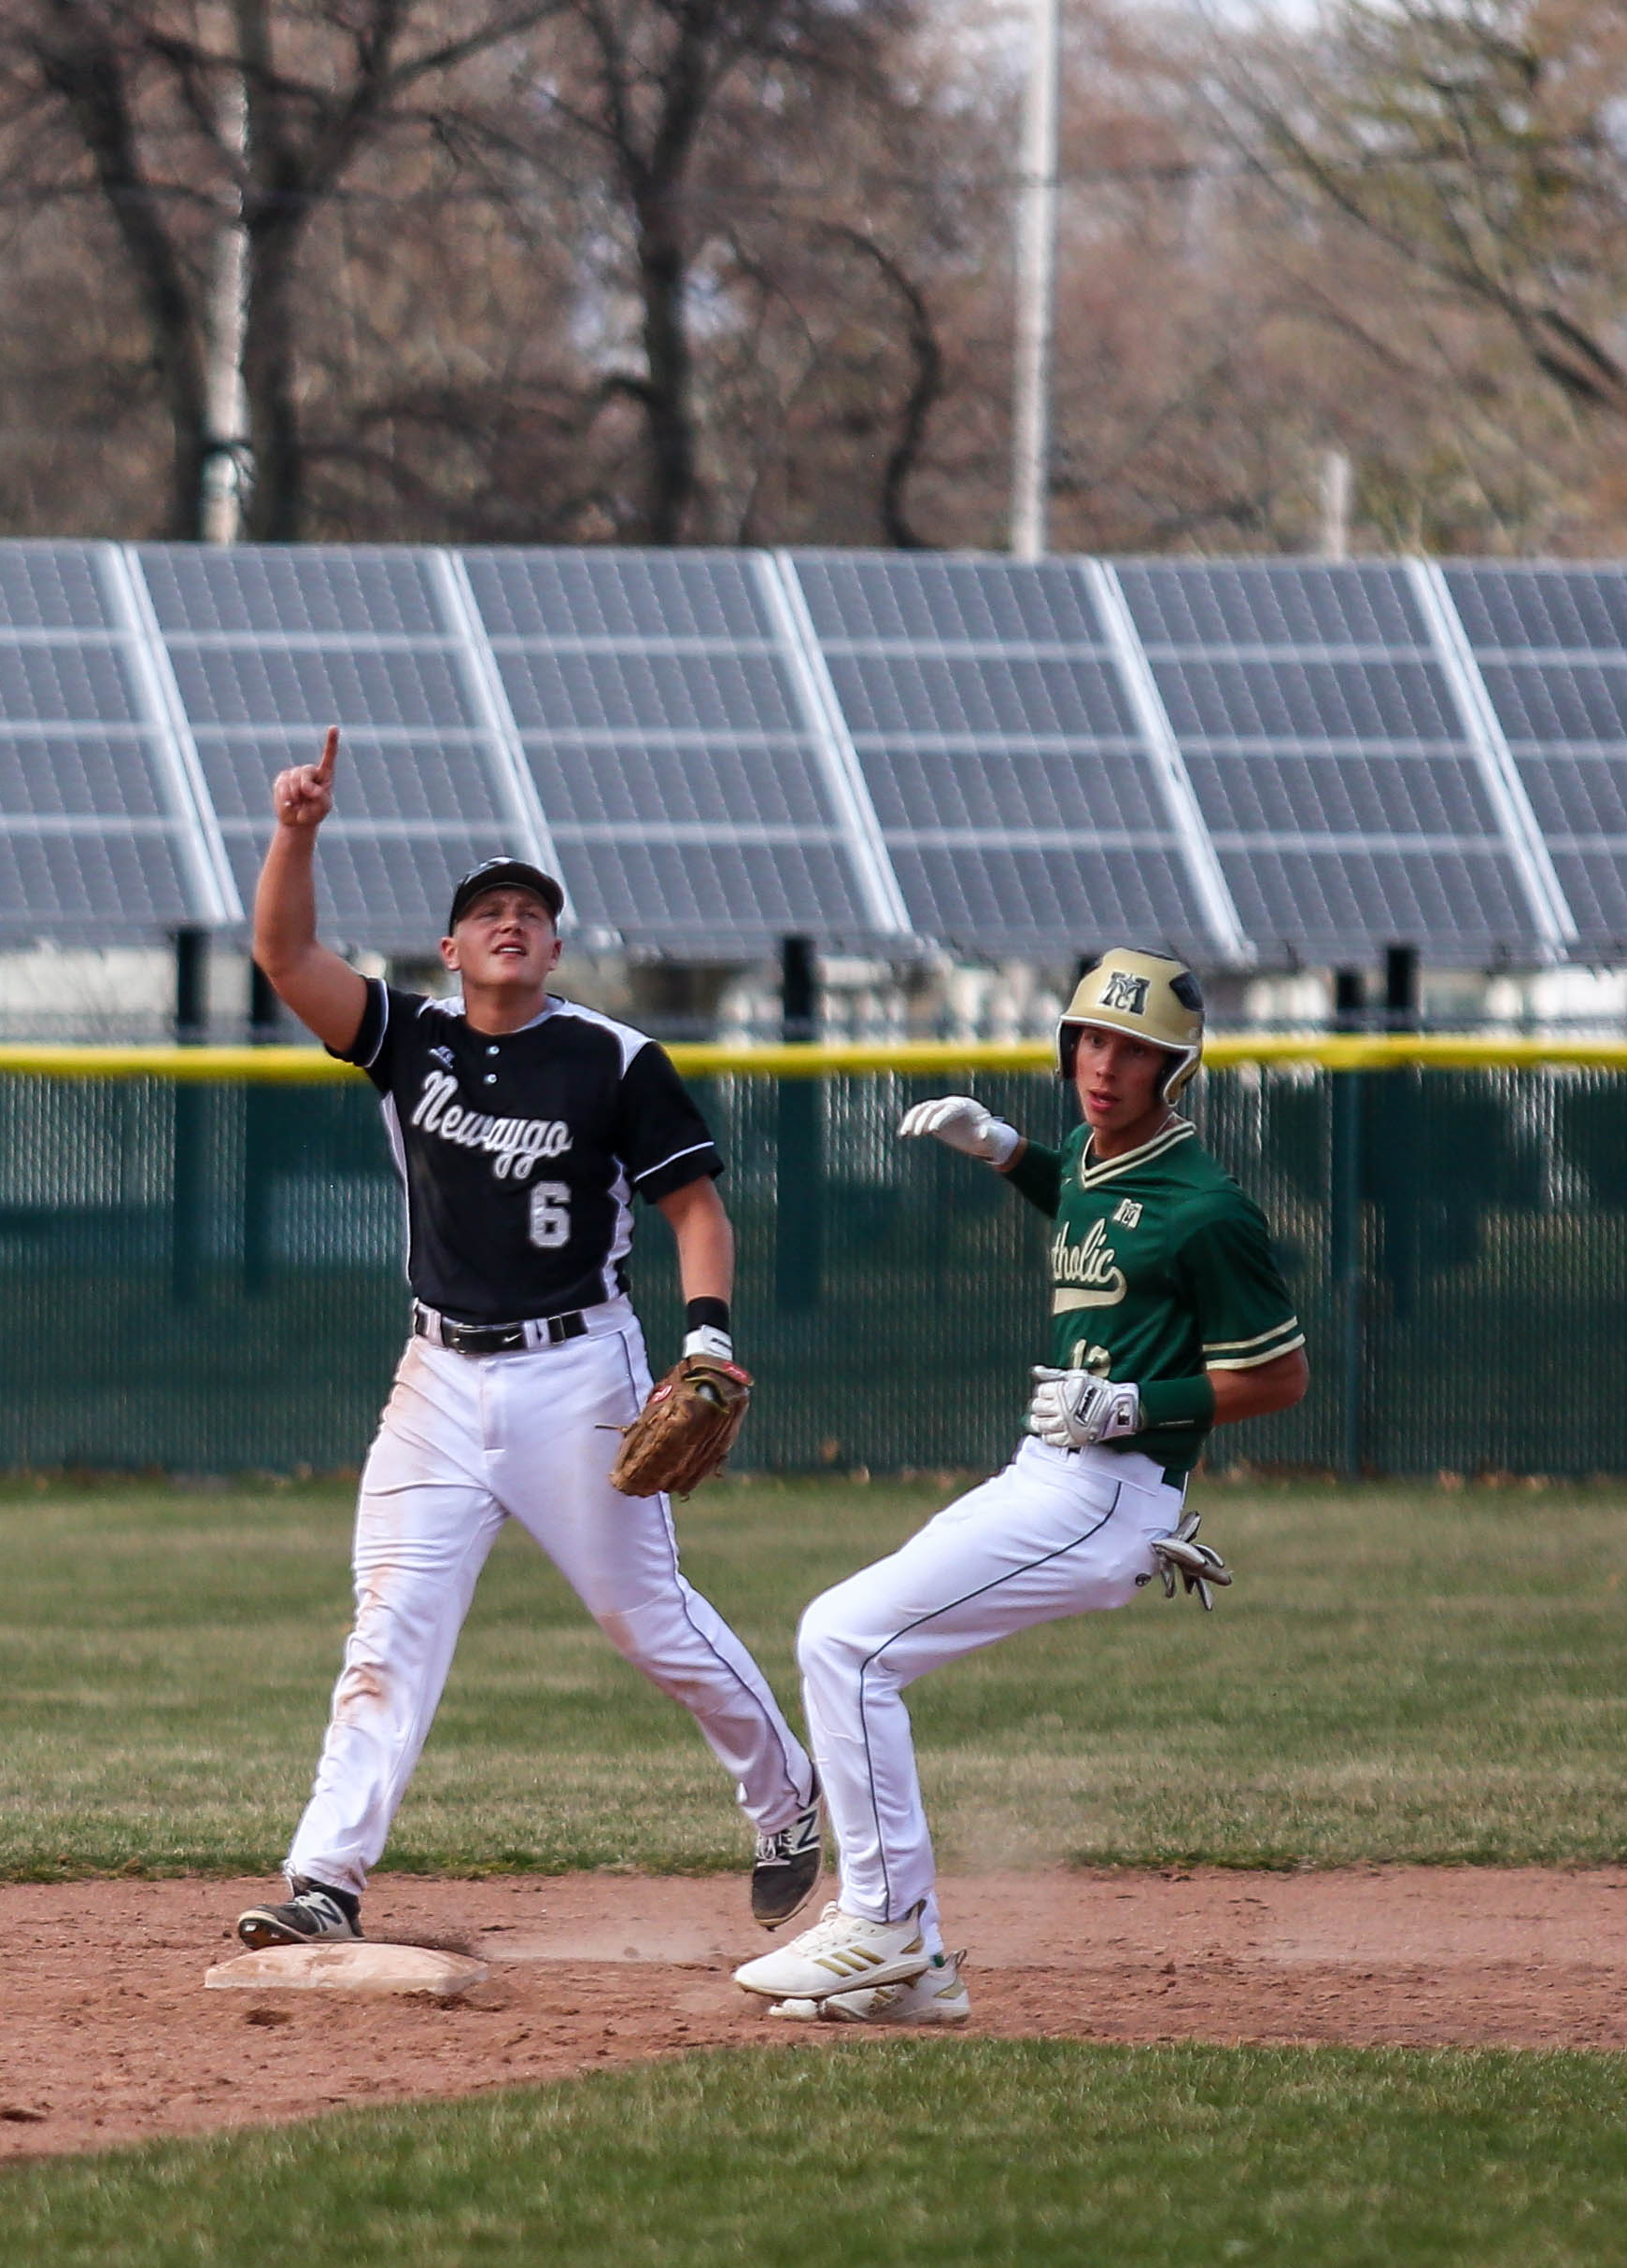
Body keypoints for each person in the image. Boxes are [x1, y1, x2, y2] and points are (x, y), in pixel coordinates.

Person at [232, 727, 821, 1950]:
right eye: (486, 912)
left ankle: (787, 1799)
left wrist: (707, 1342)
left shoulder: (615, 1060)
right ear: (450, 950)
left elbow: (695, 1212)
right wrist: (295, 832)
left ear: (553, 947)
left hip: (576, 1372)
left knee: (646, 1620)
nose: (510, 922)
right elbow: (282, 953)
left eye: (531, 913)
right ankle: (325, 1878)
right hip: (435, 1380)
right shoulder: (408, 1037)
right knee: (389, 1629)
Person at [734, 950, 1306, 2025]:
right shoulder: (1096, 1155)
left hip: (1109, 1496)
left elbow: (1280, 1376)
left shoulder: (1208, 1206)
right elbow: (1087, 1200)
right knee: (852, 1646)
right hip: (1047, 1473)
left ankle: (886, 1926)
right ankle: (917, 1971)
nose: (1104, 1066)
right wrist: (1003, 1150)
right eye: (1090, 1040)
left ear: (1175, 1069)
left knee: (845, 1643)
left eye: (1133, 1051)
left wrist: (1132, 1404)